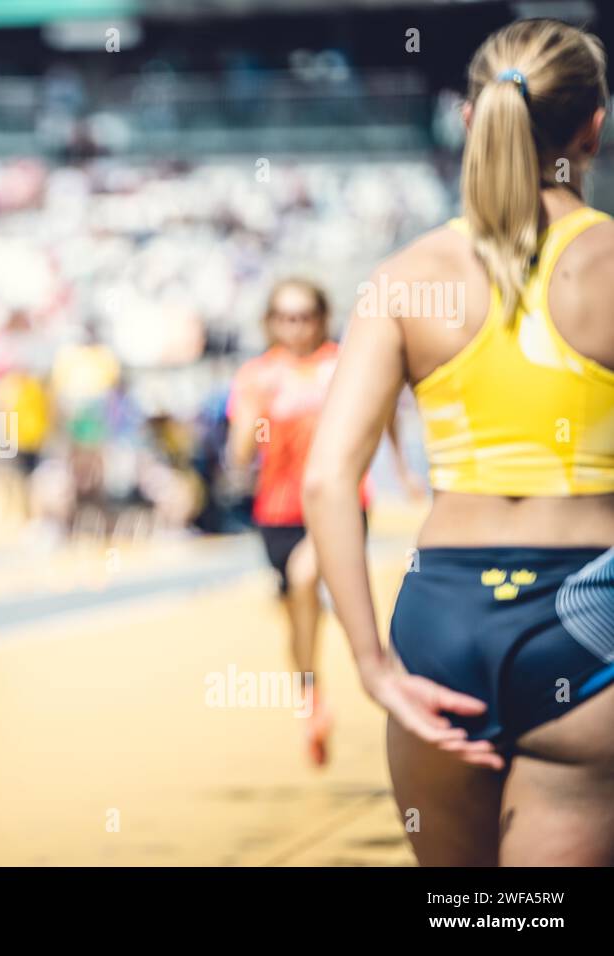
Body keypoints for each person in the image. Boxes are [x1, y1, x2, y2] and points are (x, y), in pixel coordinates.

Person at [304, 18, 614, 864]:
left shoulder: (406, 277)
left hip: (439, 618)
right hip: (589, 613)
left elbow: (329, 481)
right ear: (594, 124)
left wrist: (371, 665)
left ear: (473, 120)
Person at [227, 279, 418, 766]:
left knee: (304, 576)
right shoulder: (258, 375)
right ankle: (309, 694)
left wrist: (400, 469)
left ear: (321, 317)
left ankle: (373, 671)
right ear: (271, 323)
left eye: (306, 315)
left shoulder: (342, 364)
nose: (297, 326)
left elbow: (385, 413)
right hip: (279, 511)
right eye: (286, 317)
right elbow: (241, 451)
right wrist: (250, 424)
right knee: (297, 605)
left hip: (339, 500)